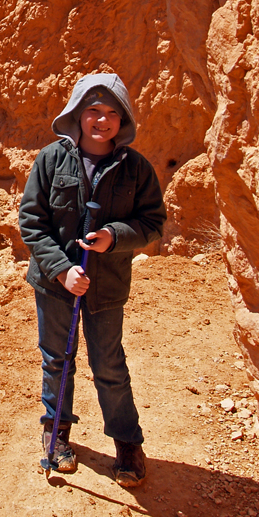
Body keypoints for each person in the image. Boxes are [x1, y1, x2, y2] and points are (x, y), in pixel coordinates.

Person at [18, 72, 166, 486]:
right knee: (56, 360)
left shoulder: (136, 169)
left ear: (123, 120)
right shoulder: (51, 159)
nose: (102, 121)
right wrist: (63, 270)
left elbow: (153, 223)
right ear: (78, 114)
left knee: (109, 365)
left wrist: (113, 238)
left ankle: (127, 444)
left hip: (107, 287)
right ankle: (56, 433)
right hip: (55, 284)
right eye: (94, 111)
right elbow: (32, 222)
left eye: (112, 113)